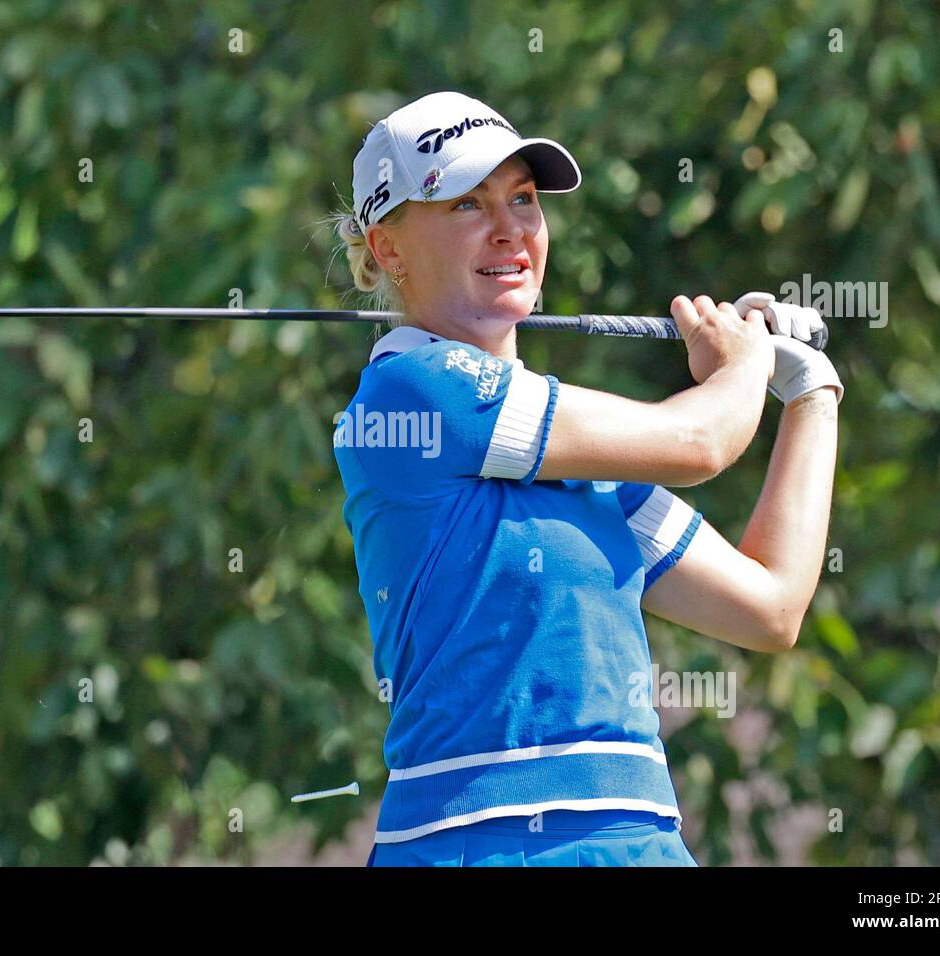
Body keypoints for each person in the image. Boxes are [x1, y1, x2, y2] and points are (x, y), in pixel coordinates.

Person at [330, 91, 843, 866]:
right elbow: (701, 440)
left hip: (638, 843)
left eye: (524, 200)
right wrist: (741, 366)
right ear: (388, 248)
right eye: (468, 204)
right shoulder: (414, 390)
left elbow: (769, 608)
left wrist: (809, 394)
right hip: (476, 845)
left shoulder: (585, 461)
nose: (511, 228)